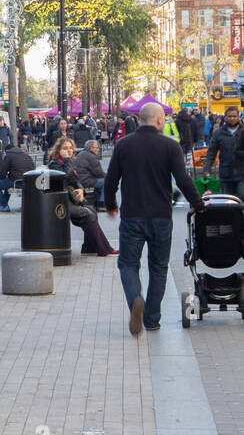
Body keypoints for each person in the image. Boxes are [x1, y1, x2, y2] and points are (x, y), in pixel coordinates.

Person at [105, 102, 206, 335]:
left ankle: (135, 301)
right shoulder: (170, 147)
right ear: (160, 120)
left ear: (140, 119)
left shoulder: (123, 145)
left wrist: (111, 205)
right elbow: (183, 180)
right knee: (159, 268)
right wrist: (198, 204)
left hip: (132, 216)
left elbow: (111, 180)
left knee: (128, 264)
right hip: (161, 216)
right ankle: (151, 319)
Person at [47, 138, 116, 257]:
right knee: (88, 214)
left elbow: (75, 180)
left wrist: (81, 190)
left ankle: (88, 247)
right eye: (65, 148)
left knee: (92, 212)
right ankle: (103, 249)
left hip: (70, 198)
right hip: (61, 202)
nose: (68, 151)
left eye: (70, 148)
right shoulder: (55, 163)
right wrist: (67, 159)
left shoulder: (69, 162)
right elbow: (65, 177)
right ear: (58, 150)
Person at [207, 105, 244, 200]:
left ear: (238, 117)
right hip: (226, 174)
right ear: (225, 117)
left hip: (241, 174)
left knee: (242, 197)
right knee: (228, 201)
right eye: (229, 116)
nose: (232, 118)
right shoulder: (218, 133)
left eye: (234, 116)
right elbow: (211, 152)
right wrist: (207, 168)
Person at [0, 142, 36, 212]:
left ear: (7, 150)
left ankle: (4, 205)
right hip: (28, 181)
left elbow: (2, 173)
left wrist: (2, 177)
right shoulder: (26, 155)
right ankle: (3, 203)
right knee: (7, 184)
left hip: (16, 182)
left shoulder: (9, 155)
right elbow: (33, 168)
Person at [74, 139, 107, 210]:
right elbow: (99, 173)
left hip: (80, 179)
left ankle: (96, 203)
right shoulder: (91, 157)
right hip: (86, 180)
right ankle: (102, 204)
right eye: (97, 147)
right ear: (91, 148)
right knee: (106, 181)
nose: (98, 149)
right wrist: (109, 176)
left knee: (101, 181)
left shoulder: (81, 154)